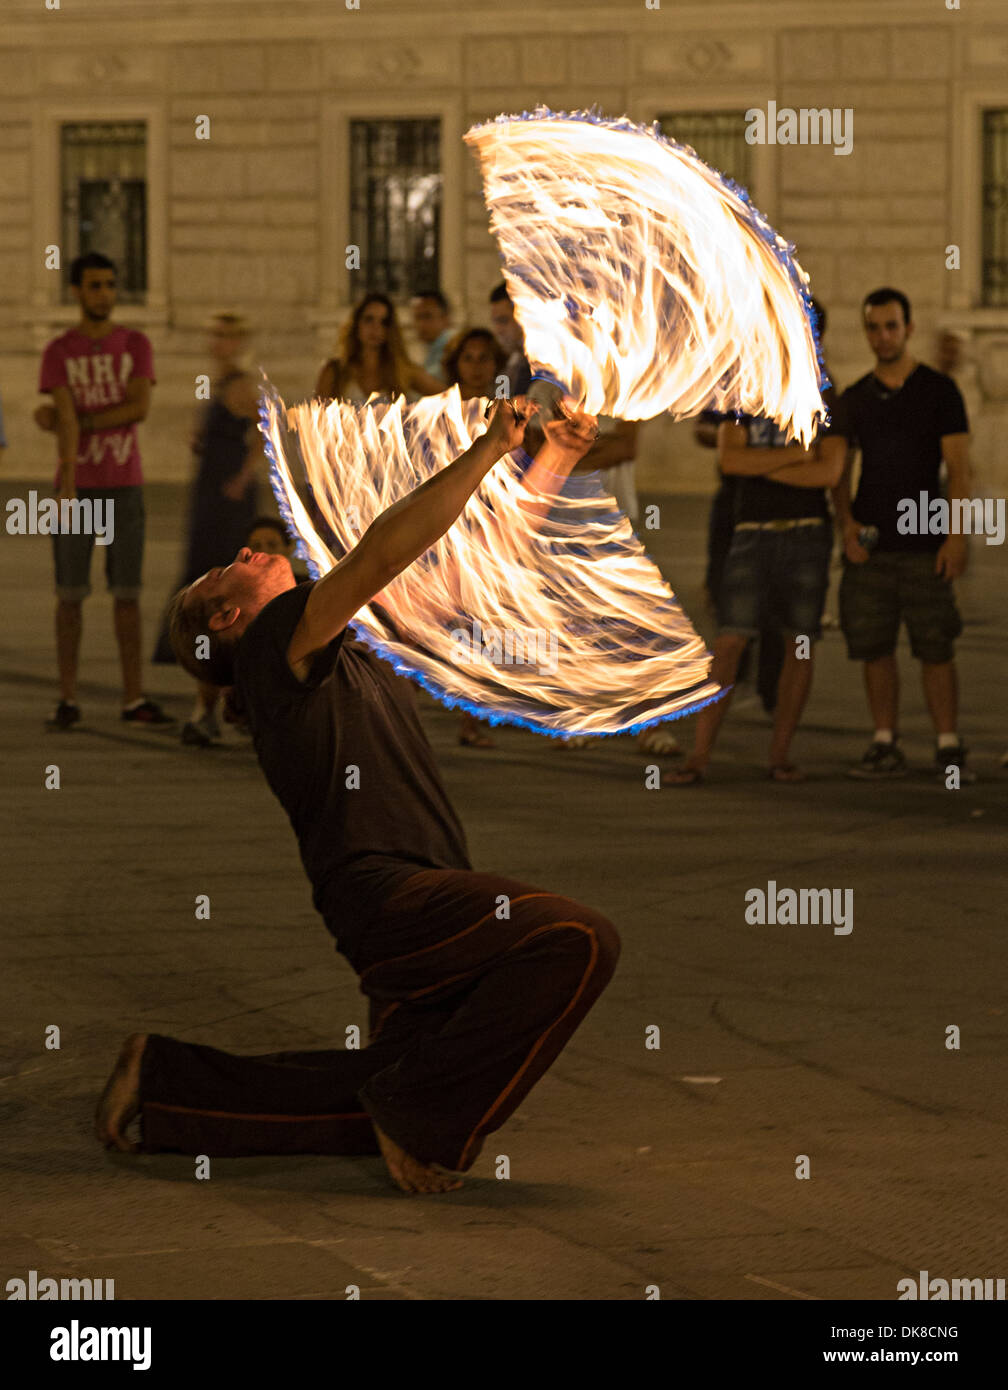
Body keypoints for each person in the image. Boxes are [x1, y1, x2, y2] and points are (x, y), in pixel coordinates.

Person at [94, 398, 620, 1195]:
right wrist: (486, 450)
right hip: (394, 897)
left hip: (411, 896)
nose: (247, 547)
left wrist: (550, 462)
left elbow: (469, 572)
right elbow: (383, 552)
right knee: (577, 940)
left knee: (387, 1082)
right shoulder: (273, 650)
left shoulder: (334, 645)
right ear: (230, 616)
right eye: (225, 566)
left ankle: (167, 1078)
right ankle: (421, 1122)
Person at [671, 307, 842, 785]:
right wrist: (792, 457)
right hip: (752, 532)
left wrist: (759, 460)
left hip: (808, 529)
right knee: (729, 642)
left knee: (799, 644)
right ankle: (698, 756)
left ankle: (780, 754)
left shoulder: (826, 395)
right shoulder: (744, 392)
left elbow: (829, 471)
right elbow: (731, 461)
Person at [826, 288, 973, 781]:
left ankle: (948, 743)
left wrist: (956, 536)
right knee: (874, 644)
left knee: (935, 644)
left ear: (908, 328)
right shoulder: (856, 398)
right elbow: (839, 471)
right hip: (872, 542)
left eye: (891, 326)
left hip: (925, 539)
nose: (882, 336)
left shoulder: (938, 391)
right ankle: (884, 739)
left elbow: (959, 467)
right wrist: (847, 524)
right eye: (873, 327)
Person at [35, 251, 171, 729]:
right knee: (69, 594)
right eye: (94, 285)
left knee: (127, 595)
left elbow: (138, 407)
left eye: (110, 285)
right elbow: (62, 414)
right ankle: (67, 697)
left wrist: (76, 422)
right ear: (76, 291)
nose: (104, 294)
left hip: (124, 485)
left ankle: (133, 698)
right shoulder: (59, 351)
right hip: (76, 490)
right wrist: (68, 474)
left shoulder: (135, 343)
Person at [315, 293, 444, 403]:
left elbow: (449, 397)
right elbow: (316, 423)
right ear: (356, 324)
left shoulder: (401, 370)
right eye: (369, 319)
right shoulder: (335, 370)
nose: (376, 328)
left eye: (384, 322)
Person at [488, 283, 532, 396]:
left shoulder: (548, 369)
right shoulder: (513, 363)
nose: (498, 330)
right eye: (495, 322)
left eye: (503, 321)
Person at [411, 290, 454, 380]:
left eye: (427, 316)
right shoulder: (432, 347)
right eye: (417, 317)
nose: (421, 324)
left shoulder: (453, 346)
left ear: (445, 317)